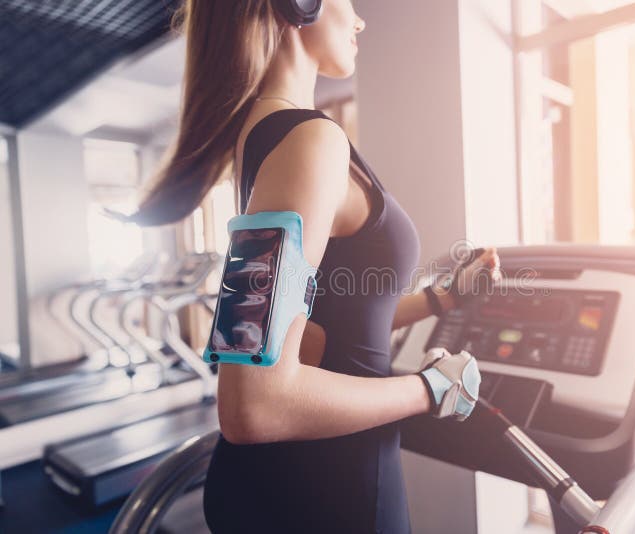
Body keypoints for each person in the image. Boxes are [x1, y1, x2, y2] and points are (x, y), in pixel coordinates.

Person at [125, 1, 500, 532]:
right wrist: (432, 387)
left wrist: (443, 298)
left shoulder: (262, 137)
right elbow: (253, 405)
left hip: (284, 486)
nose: (361, 19)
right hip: (329, 491)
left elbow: (330, 321)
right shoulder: (309, 142)